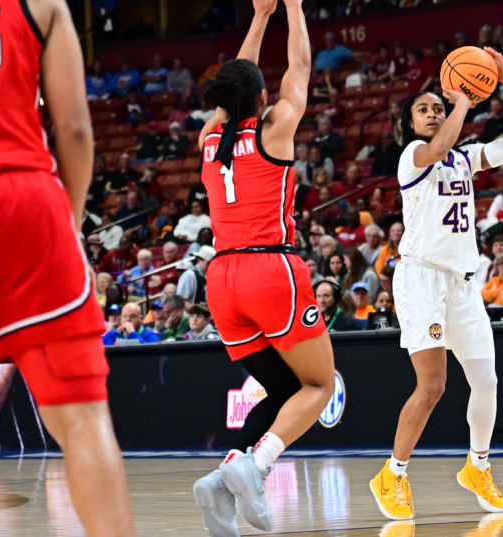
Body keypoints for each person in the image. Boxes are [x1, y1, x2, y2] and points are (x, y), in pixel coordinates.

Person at [0, 0, 135, 532]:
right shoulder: (43, 4)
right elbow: (76, 129)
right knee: (83, 420)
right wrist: (67, 226)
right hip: (24, 203)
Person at [190, 4, 337, 535]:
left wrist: (259, 16)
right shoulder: (274, 131)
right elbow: (299, 66)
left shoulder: (211, 137)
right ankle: (257, 466)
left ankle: (225, 473)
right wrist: (292, 10)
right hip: (269, 267)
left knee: (282, 391)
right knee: (320, 384)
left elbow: (236, 78)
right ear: (259, 99)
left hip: (221, 281)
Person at [373, 47, 503, 521]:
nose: (435, 112)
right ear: (409, 123)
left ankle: (477, 466)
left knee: (486, 381)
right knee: (433, 384)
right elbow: (439, 146)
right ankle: (392, 474)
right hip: (420, 280)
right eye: (426, 109)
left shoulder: (464, 158)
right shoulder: (412, 157)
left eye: (438, 107)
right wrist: (462, 99)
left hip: (462, 284)